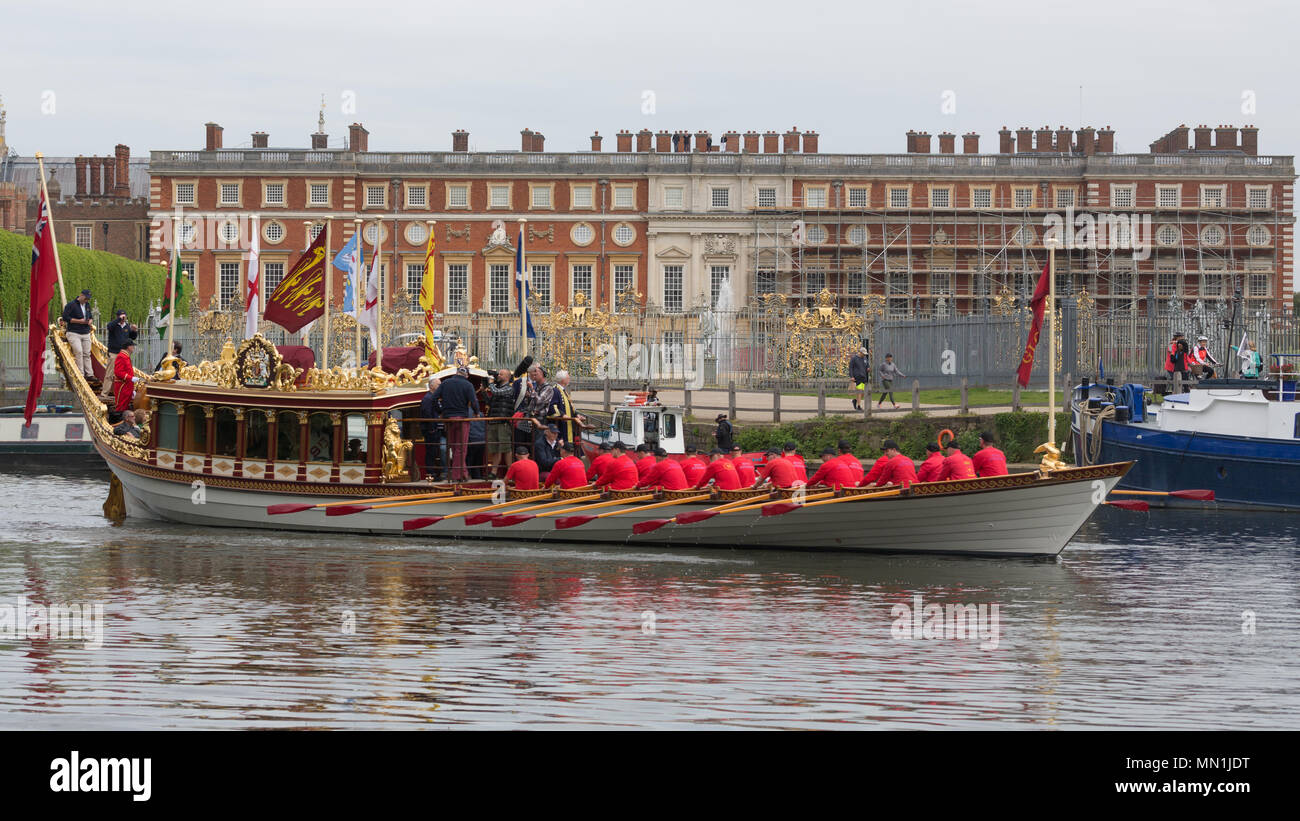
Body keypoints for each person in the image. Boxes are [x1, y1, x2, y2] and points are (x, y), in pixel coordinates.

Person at [432, 366, 480, 481]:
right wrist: (477, 412)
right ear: (467, 375)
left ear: (456, 373)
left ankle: (463, 473)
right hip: (462, 419)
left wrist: (441, 412)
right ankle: (456, 475)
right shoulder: (468, 385)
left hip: (448, 419)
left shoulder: (445, 383)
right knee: (461, 448)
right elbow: (474, 401)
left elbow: (434, 398)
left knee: (453, 447)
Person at [485, 368, 523, 477]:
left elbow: (496, 392)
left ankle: (510, 472)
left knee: (506, 448)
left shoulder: (509, 389)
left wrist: (491, 384)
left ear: (507, 377)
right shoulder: (497, 388)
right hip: (494, 421)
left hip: (504, 422)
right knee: (495, 448)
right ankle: (494, 472)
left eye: (501, 374)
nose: (498, 376)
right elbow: (489, 402)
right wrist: (483, 391)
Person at [101, 310, 138, 398]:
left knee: (125, 373)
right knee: (110, 373)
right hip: (114, 352)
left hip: (124, 353)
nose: (123, 318)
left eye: (124, 316)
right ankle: (104, 393)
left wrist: (134, 330)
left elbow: (132, 337)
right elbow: (109, 327)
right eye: (121, 316)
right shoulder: (114, 325)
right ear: (118, 316)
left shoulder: (127, 326)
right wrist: (118, 320)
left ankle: (124, 392)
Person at [61, 288, 95, 380]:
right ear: (81, 295)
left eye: (88, 299)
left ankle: (89, 374)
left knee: (87, 353)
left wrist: (90, 321)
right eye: (86, 298)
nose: (87, 300)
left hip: (85, 332)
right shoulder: (71, 305)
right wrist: (79, 321)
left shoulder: (87, 305)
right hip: (73, 332)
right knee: (79, 352)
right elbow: (65, 317)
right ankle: (81, 374)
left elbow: (90, 316)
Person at [547, 370, 587, 443]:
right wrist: (562, 415)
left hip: (568, 423)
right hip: (561, 424)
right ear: (563, 380)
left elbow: (569, 407)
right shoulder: (555, 390)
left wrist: (576, 415)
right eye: (568, 378)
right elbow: (552, 406)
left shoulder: (563, 390)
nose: (569, 379)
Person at [419, 377, 445, 481]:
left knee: (435, 451)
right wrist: (431, 428)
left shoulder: (434, 398)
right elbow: (427, 414)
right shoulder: (428, 398)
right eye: (438, 385)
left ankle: (434, 472)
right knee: (431, 451)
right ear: (431, 386)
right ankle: (430, 474)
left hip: (435, 429)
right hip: (430, 429)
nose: (440, 387)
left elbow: (439, 410)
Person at [112, 339, 140, 412]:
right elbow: (118, 372)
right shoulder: (121, 356)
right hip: (122, 386)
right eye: (132, 346)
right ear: (128, 347)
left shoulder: (125, 356)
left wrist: (132, 389)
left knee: (125, 406)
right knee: (121, 407)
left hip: (127, 386)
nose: (134, 347)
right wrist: (131, 378)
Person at [849, 346, 870, 411]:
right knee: (859, 391)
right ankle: (859, 406)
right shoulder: (854, 358)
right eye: (863, 353)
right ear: (860, 352)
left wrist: (868, 368)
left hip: (864, 377)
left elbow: (867, 365)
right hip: (857, 377)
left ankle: (855, 401)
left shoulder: (865, 358)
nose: (864, 355)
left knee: (862, 393)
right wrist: (852, 376)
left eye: (865, 354)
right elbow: (850, 368)